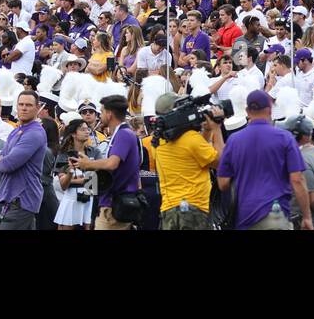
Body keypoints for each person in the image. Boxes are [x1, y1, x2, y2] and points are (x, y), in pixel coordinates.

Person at [217, 89, 311, 230]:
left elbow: (223, 183)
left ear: (247, 111)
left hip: (245, 215)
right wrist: (307, 217)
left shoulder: (233, 141)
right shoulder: (285, 138)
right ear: (270, 110)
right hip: (275, 214)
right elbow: (297, 180)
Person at [148, 92, 223, 230]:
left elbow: (197, 155)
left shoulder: (157, 142)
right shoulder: (191, 139)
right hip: (194, 209)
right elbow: (221, 163)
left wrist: (206, 131)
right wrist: (216, 128)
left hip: (169, 211)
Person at [75, 93, 143, 230]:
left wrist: (88, 164)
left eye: (101, 111)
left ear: (109, 114)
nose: (100, 115)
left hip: (114, 204)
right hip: (109, 201)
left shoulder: (124, 134)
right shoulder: (121, 133)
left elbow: (112, 164)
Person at [0, 90, 47, 230]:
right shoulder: (17, 130)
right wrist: (0, 160)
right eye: (21, 104)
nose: (24, 108)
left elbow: (8, 164)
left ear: (37, 108)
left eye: (29, 105)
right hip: (16, 198)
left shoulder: (34, 133)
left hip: (22, 198)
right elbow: (0, 165)